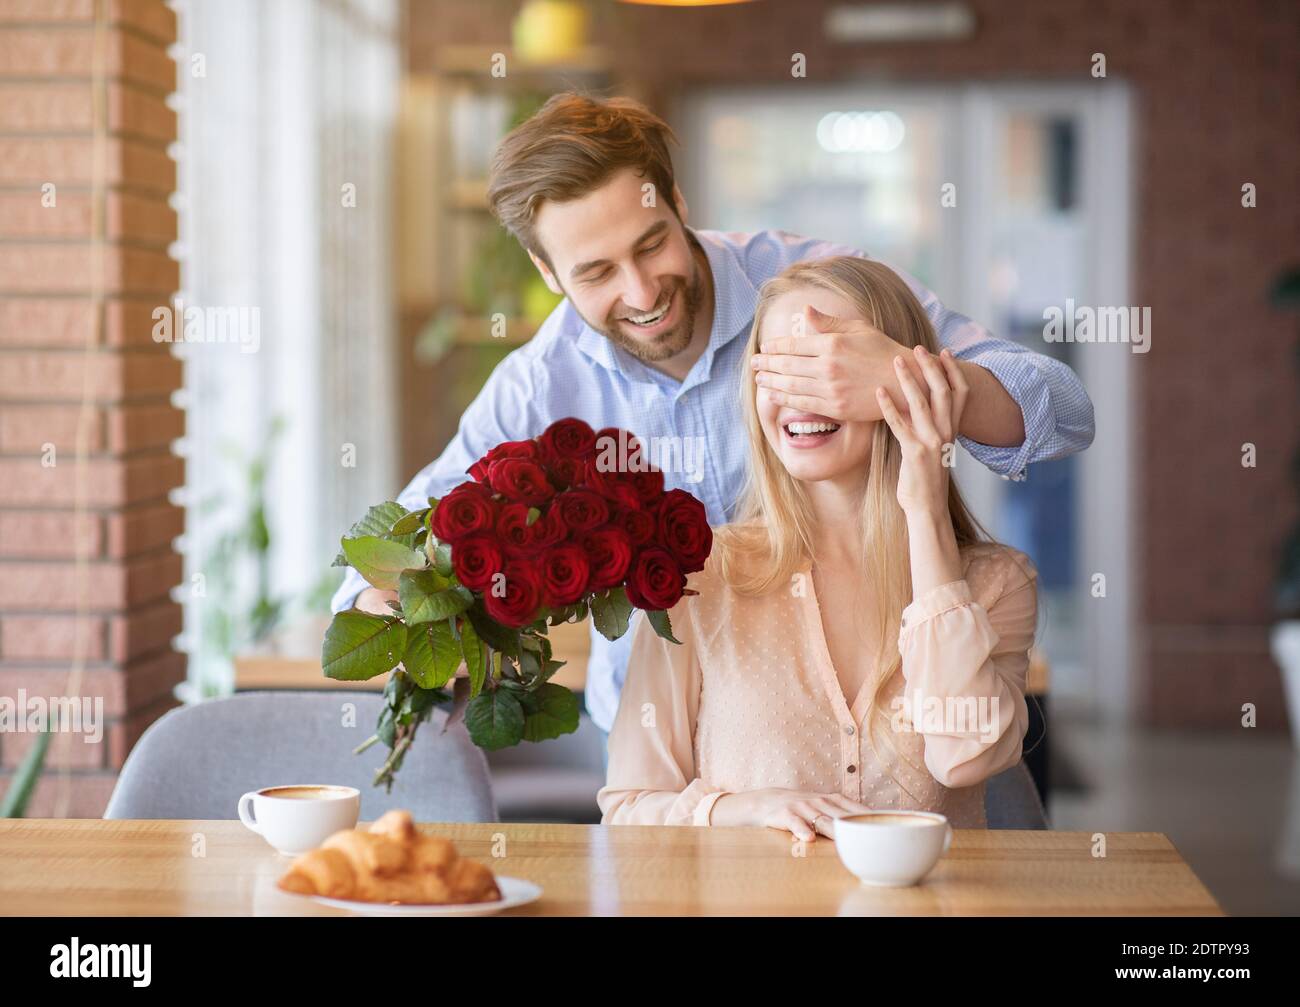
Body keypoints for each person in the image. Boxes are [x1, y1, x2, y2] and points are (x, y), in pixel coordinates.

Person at [329, 93, 1092, 762]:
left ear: (678, 201)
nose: (641, 290)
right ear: (546, 272)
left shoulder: (812, 294)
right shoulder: (540, 383)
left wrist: (895, 377)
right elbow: (397, 546)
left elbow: (1063, 411)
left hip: (879, 738)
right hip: (658, 757)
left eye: (650, 242)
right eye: (595, 273)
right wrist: (383, 604)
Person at [597, 256, 1037, 837]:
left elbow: (963, 757)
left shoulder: (998, 583)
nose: (799, 395)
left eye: (825, 367)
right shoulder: (695, 576)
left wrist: (925, 510)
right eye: (777, 368)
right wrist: (743, 807)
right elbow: (629, 810)